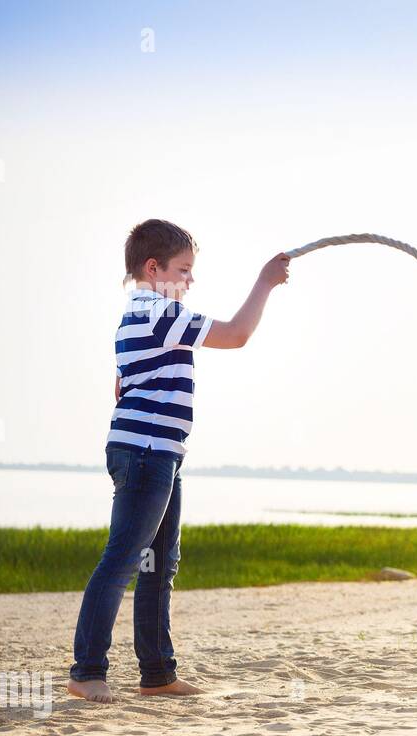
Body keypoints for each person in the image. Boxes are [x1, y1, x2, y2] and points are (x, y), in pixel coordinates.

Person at [68, 219, 290, 704]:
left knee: (157, 565)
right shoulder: (159, 311)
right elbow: (236, 334)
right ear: (154, 268)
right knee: (124, 560)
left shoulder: (138, 315)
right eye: (184, 270)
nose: (190, 281)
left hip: (160, 452)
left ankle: (158, 674)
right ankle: (86, 671)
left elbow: (123, 384)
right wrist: (265, 282)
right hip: (147, 453)